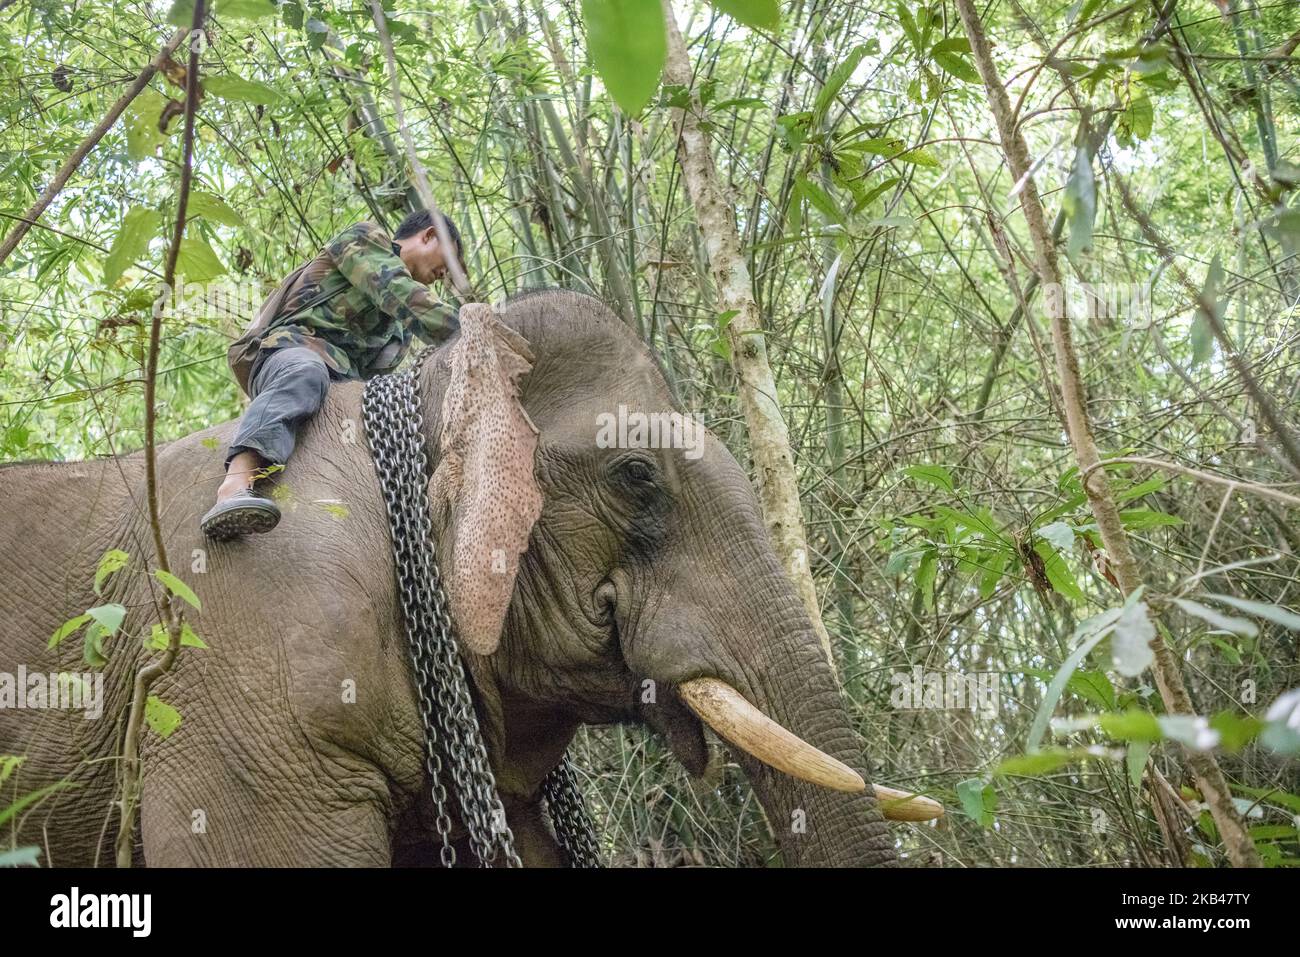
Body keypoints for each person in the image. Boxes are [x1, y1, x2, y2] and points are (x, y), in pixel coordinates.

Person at [200, 210, 464, 541]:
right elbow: (398, 293)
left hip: (341, 387)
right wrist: (471, 331)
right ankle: (236, 483)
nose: (444, 274)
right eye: (449, 259)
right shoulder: (365, 240)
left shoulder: (400, 330)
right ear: (428, 235)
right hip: (291, 354)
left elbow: (375, 379)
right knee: (308, 371)